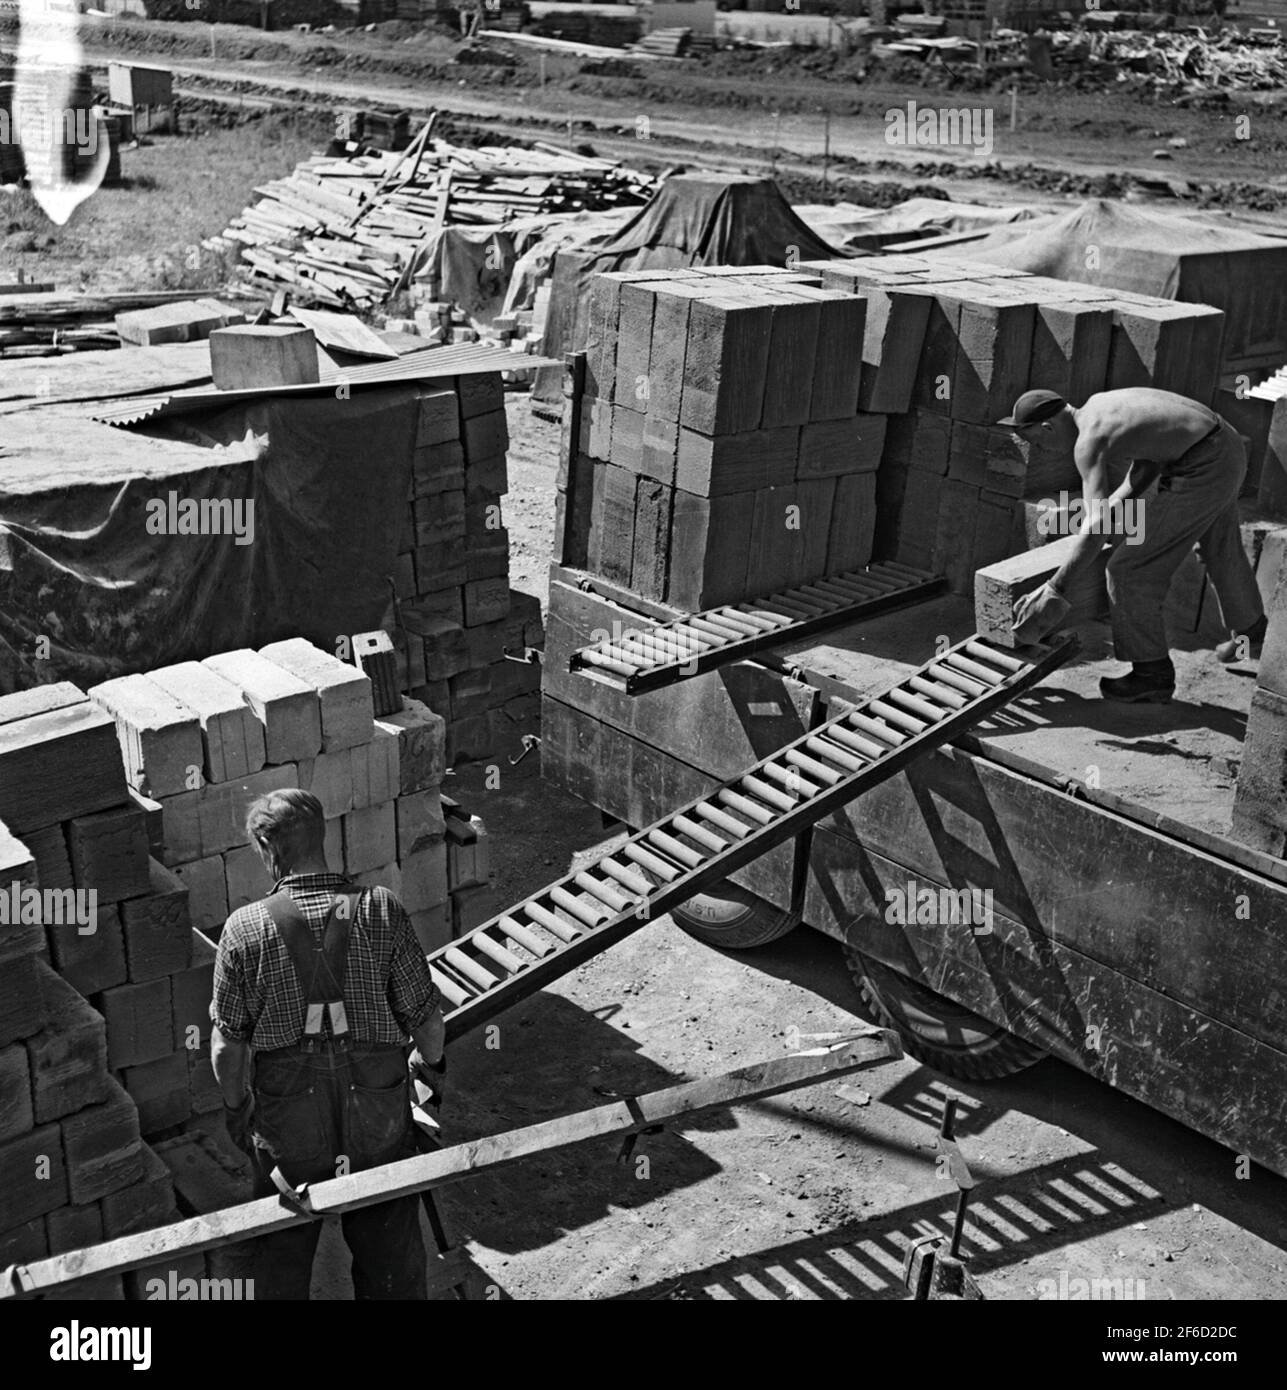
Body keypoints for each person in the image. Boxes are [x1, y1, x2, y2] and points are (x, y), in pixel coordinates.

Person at [210, 788, 446, 1299]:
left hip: (290, 1125)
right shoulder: (381, 909)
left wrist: (237, 1109)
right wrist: (434, 1070)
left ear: (269, 852)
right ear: (323, 837)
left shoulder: (243, 931)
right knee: (391, 1260)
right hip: (377, 1116)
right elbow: (427, 1023)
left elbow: (227, 1048)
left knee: (278, 1257)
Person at [1003, 387, 1266, 703]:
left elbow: (1096, 529)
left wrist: (1055, 589)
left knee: (1129, 570)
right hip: (1225, 446)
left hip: (1203, 465)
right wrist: (1113, 505)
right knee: (1219, 547)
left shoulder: (1088, 442)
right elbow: (1148, 462)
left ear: (1047, 427)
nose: (1042, 450)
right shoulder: (1098, 406)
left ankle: (1151, 674)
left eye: (1037, 442)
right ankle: (1250, 632)